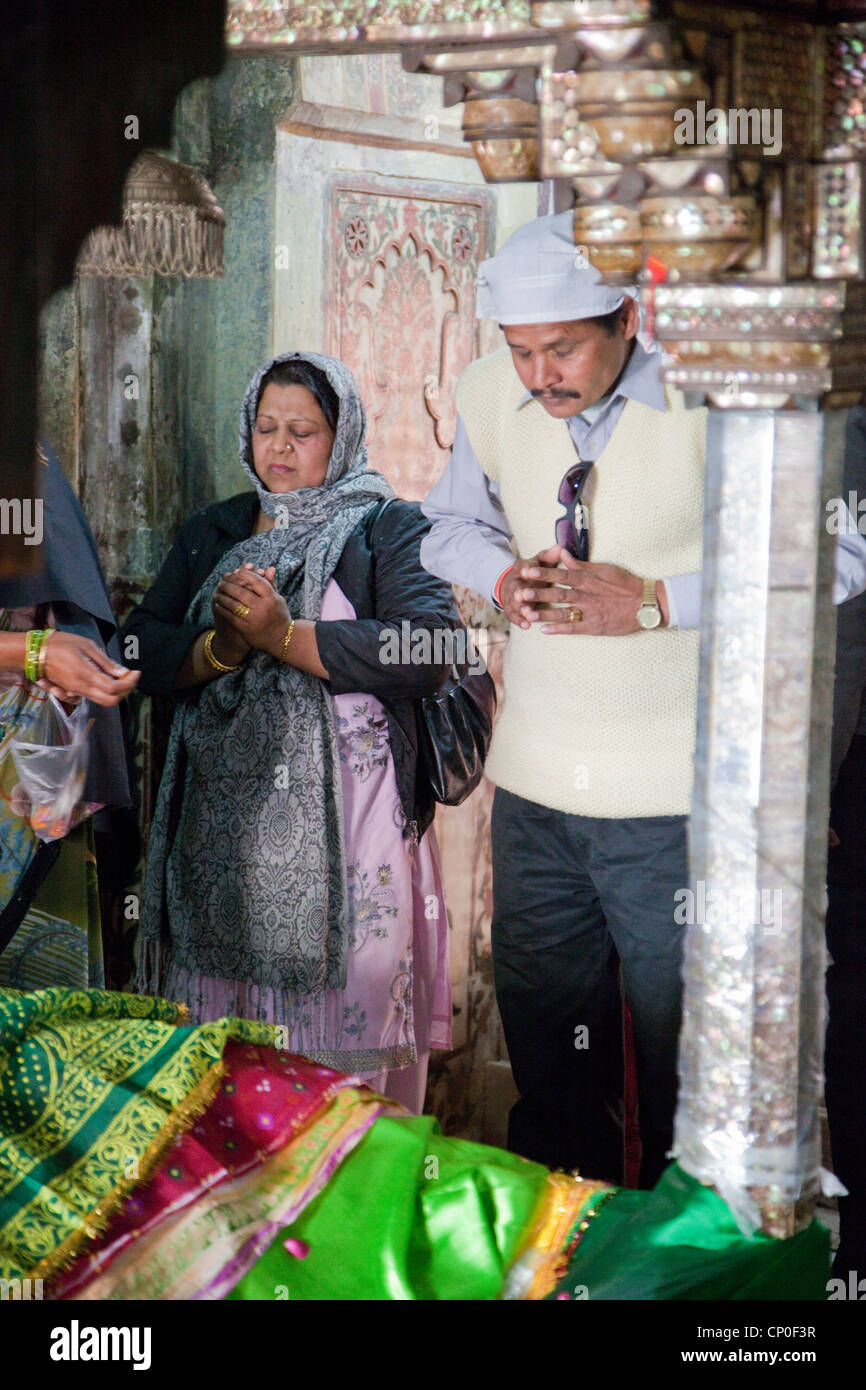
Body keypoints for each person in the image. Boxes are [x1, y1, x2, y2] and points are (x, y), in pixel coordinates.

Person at [420, 211, 866, 1187]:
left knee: (688, 1077)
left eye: (562, 348)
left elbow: (834, 552)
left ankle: (695, 1295)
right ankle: (566, 1263)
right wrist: (502, 578)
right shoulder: (492, 393)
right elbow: (444, 526)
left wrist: (657, 602)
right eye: (521, 349)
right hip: (535, 796)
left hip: (676, 798)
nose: (539, 375)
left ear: (627, 315)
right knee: (553, 1074)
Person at [124, 352, 457, 1112]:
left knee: (339, 1075)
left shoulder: (386, 527)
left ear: (340, 439)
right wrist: (221, 649)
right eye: (266, 428)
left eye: (302, 431)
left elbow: (431, 647)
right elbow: (136, 645)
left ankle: (345, 1211)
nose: (279, 446)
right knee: (226, 1073)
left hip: (352, 833)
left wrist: (283, 637)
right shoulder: (218, 527)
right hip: (223, 846)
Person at [0, 443, 139, 987]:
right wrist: (33, 652)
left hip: (39, 766)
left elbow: (62, 595)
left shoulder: (25, 448)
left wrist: (71, 666)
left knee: (39, 1022)